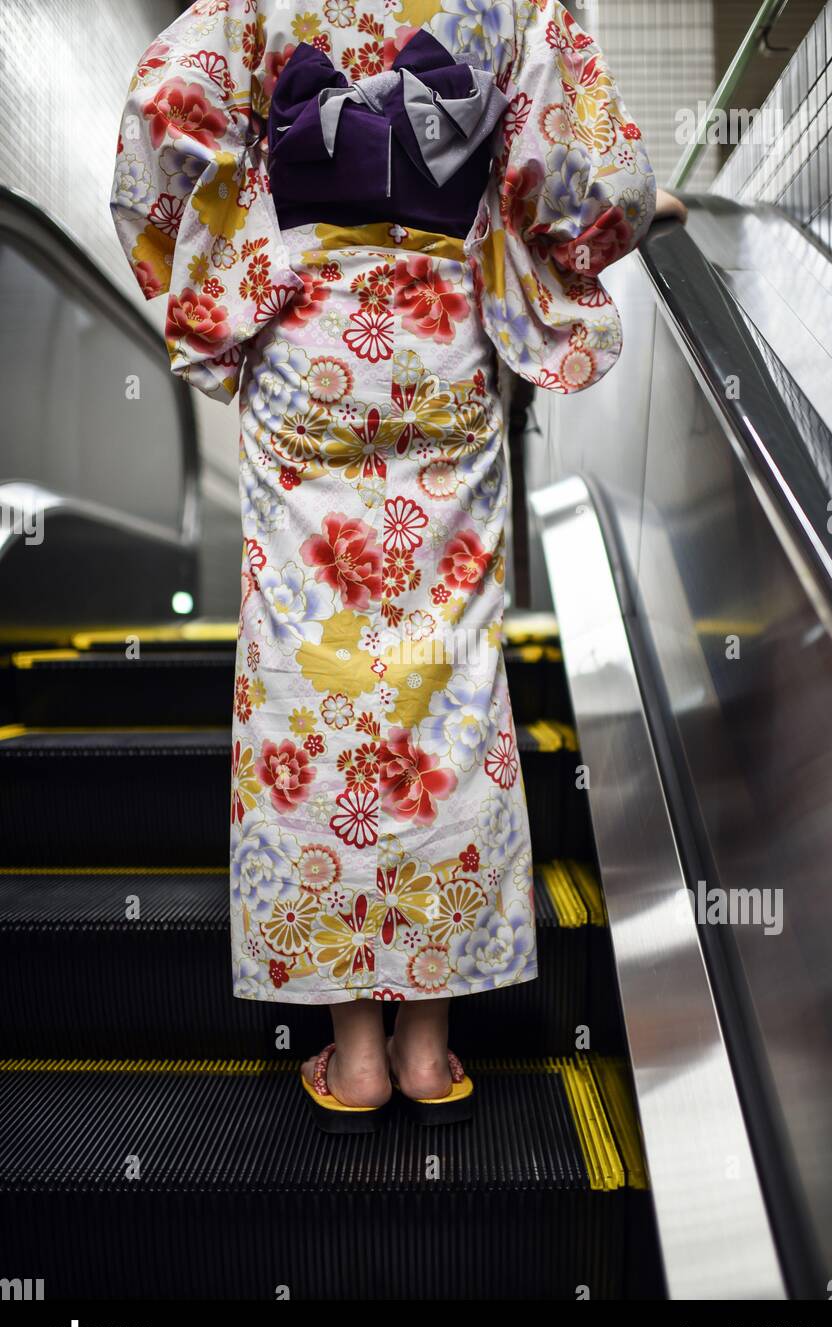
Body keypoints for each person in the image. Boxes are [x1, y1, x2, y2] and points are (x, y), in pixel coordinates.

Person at [111, 0, 665, 1131]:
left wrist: (247, 250)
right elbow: (587, 169)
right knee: (448, 666)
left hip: (307, 338)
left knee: (306, 663)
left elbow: (164, 117)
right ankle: (429, 1049)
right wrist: (640, 213)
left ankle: (350, 1051)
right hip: (440, 337)